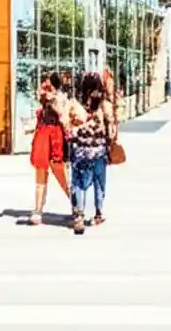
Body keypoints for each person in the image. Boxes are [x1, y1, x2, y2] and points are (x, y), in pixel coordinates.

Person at [67, 72, 115, 235]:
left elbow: (68, 126)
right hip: (99, 151)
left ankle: (79, 216)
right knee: (99, 182)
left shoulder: (76, 105)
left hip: (80, 151)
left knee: (79, 183)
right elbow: (111, 131)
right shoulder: (104, 105)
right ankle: (98, 214)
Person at [28, 74, 72, 226]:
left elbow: (64, 117)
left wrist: (53, 101)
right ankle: (38, 209)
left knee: (61, 173)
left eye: (47, 84)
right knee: (40, 170)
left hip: (55, 137)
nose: (44, 87)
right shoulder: (44, 99)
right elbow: (38, 98)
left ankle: (77, 206)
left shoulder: (61, 98)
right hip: (43, 135)